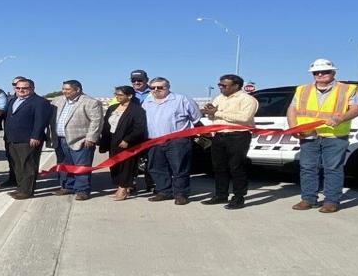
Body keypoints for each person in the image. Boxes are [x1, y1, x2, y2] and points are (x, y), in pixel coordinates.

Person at [286, 58, 358, 213]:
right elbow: (292, 109)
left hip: (334, 135)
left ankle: (331, 201)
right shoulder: (302, 89)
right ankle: (308, 199)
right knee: (307, 167)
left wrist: (340, 118)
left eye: (325, 71)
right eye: (316, 72)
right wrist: (293, 128)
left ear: (333, 72)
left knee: (333, 168)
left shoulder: (347, 89)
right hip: (308, 134)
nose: (320, 74)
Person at [200, 73, 258, 209]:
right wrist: (209, 111)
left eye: (224, 85)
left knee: (236, 167)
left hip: (238, 136)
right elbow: (212, 116)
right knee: (219, 167)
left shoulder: (247, 99)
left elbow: (244, 118)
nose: (220, 87)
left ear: (236, 86)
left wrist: (217, 113)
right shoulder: (219, 98)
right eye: (219, 85)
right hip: (219, 136)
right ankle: (221, 195)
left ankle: (238, 197)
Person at [140, 77, 202, 205]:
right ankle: (164, 191)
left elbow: (196, 117)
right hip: (154, 141)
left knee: (179, 168)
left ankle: (181, 194)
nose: (156, 90)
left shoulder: (181, 99)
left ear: (168, 88)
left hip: (177, 141)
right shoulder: (147, 101)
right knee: (157, 168)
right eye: (153, 88)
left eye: (160, 87)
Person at [49, 80, 105, 201]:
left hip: (81, 140)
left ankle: (82, 190)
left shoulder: (90, 102)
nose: (64, 91)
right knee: (64, 165)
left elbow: (97, 121)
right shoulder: (57, 101)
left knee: (81, 166)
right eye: (63, 89)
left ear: (77, 89)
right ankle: (67, 186)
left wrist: (91, 138)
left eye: (67, 89)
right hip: (60, 139)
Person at [98, 85, 147, 201]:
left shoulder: (137, 110)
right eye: (116, 94)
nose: (117, 97)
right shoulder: (112, 108)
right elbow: (106, 125)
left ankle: (124, 188)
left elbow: (139, 128)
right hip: (112, 141)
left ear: (129, 96)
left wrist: (128, 140)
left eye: (120, 95)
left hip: (127, 143)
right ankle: (120, 186)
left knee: (127, 166)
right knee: (115, 165)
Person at [2, 78, 49, 200]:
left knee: (28, 166)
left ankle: (27, 191)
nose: (21, 90)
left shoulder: (40, 102)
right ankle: (20, 188)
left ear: (32, 88)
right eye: (18, 88)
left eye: (24, 88)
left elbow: (40, 121)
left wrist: (36, 136)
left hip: (28, 139)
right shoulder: (13, 101)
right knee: (17, 166)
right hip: (13, 138)